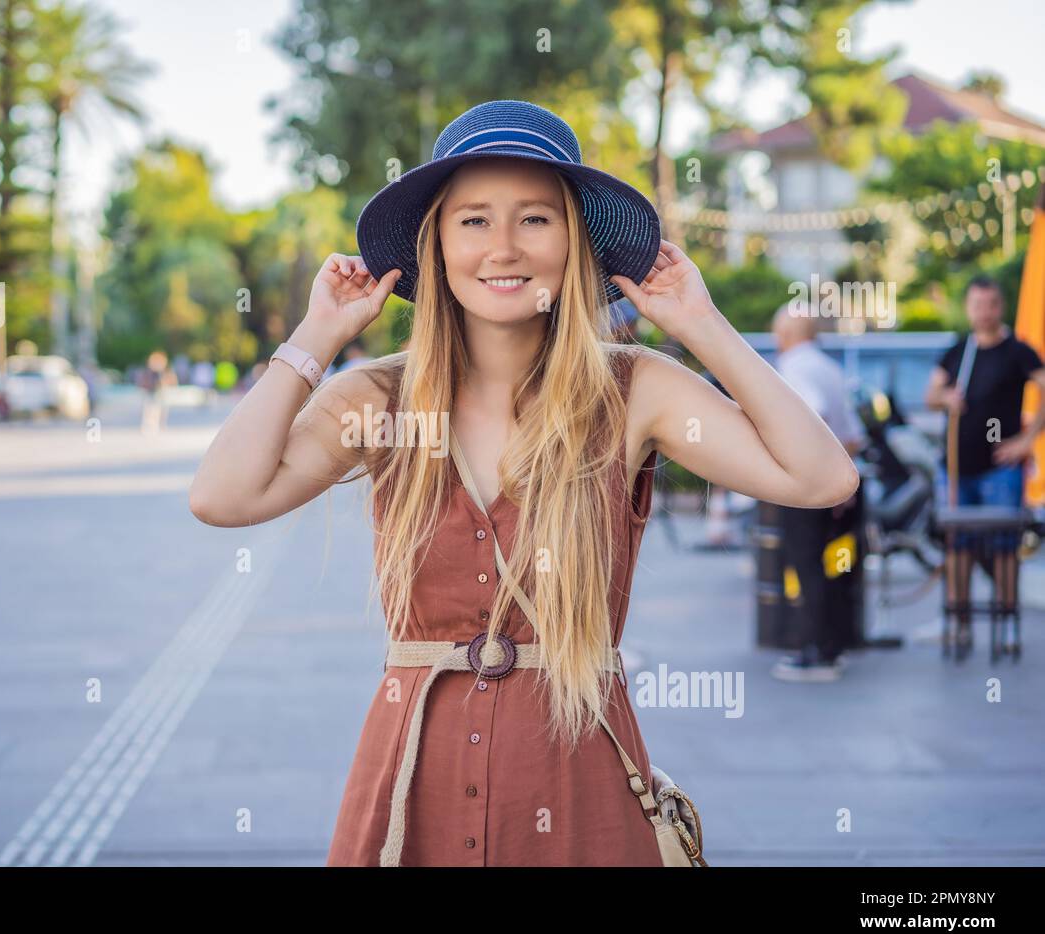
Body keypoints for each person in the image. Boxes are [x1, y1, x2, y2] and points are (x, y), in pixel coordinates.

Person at [189, 100, 856, 866]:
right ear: (435, 244)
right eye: (473, 220)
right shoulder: (378, 400)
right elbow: (222, 496)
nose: (503, 247)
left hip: (579, 788)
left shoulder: (634, 390)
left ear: (576, 242)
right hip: (412, 788)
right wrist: (317, 336)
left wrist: (700, 324)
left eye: (535, 219)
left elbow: (822, 475)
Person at [923, 275, 1045, 655]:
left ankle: (1007, 620)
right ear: (968, 307)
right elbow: (930, 396)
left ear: (1000, 306)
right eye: (977, 305)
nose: (984, 312)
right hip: (957, 468)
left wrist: (1026, 441)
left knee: (1004, 548)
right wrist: (947, 399)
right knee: (958, 547)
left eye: (990, 304)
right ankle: (959, 622)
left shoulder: (1018, 352)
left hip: (1000, 469)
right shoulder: (958, 350)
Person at [769, 306, 867, 681]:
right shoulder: (831, 368)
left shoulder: (793, 367)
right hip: (839, 489)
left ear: (787, 334)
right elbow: (854, 436)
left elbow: (815, 415)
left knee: (806, 566)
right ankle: (833, 647)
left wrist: (811, 470)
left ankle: (816, 654)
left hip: (807, 487)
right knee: (834, 568)